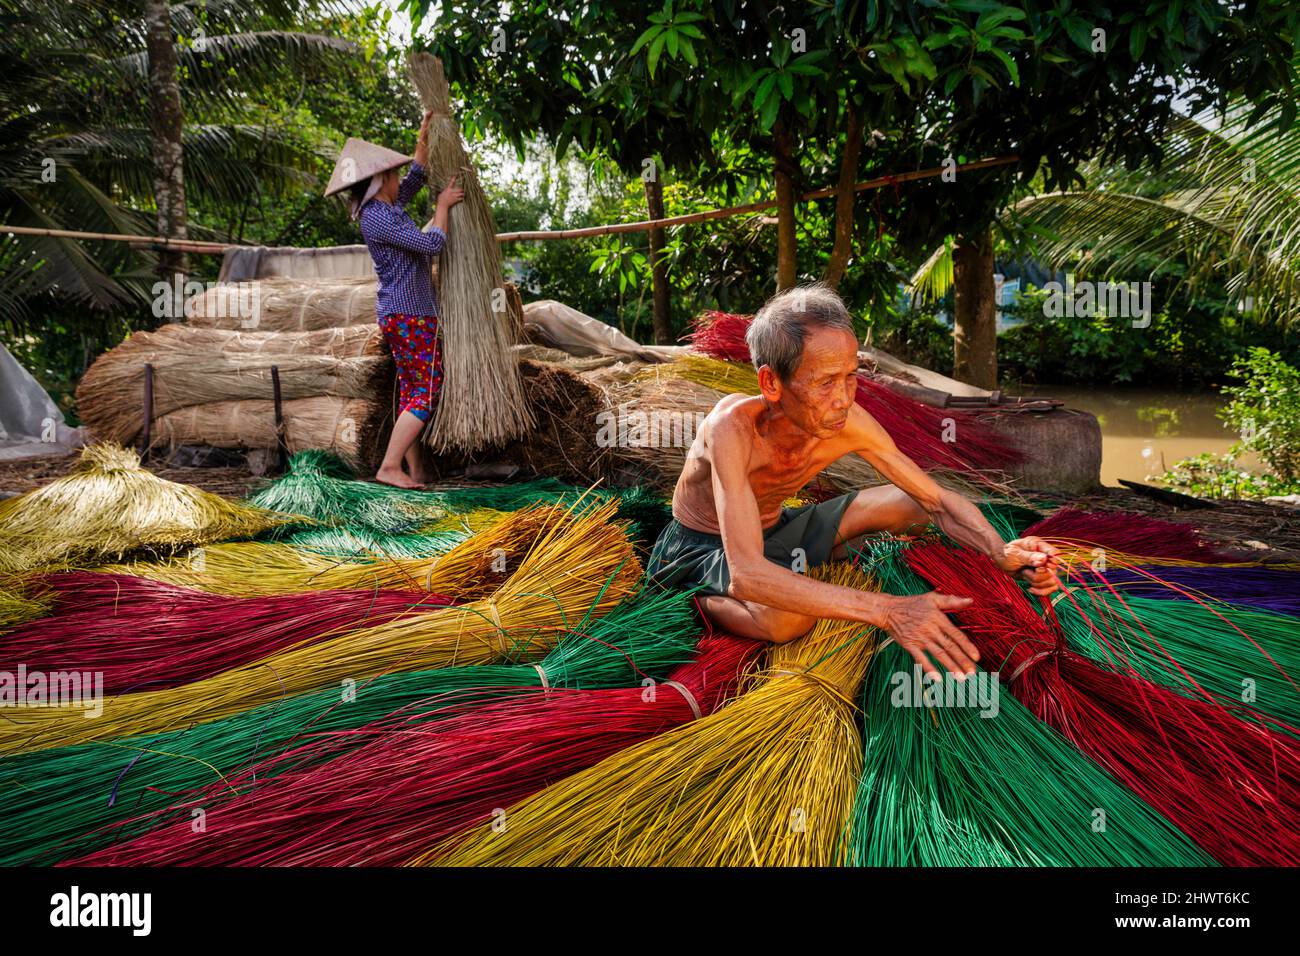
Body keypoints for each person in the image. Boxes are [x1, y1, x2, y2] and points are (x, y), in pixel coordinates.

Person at [644, 283, 1062, 679]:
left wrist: (999, 552)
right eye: (825, 382)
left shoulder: (848, 423)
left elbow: (935, 501)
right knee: (787, 617)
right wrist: (888, 610)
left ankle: (807, 561)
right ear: (772, 383)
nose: (844, 398)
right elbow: (747, 574)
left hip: (777, 527)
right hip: (704, 548)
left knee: (908, 505)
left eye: (850, 376)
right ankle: (695, 597)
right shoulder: (731, 429)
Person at [323, 116, 465, 489]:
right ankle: (389, 466)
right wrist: (443, 206)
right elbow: (433, 244)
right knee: (426, 391)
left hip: (405, 314)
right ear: (379, 181)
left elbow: (414, 178)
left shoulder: (384, 208)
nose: (398, 179)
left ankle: (415, 470)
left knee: (412, 390)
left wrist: (422, 140)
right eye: (392, 174)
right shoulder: (379, 218)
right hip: (411, 315)